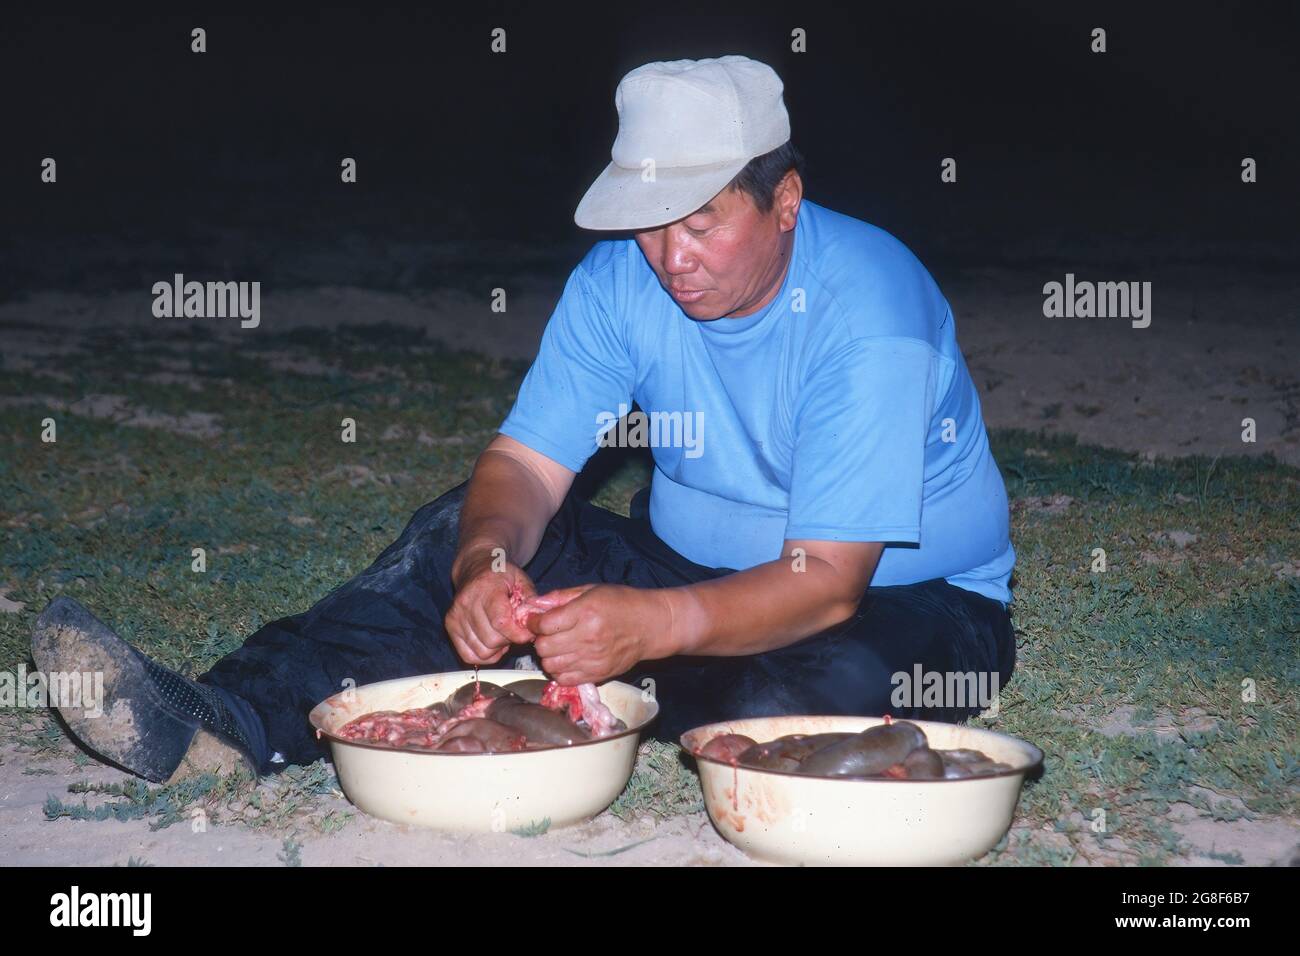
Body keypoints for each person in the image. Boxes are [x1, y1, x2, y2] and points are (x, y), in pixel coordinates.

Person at [31, 55, 1016, 783]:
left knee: (813, 689)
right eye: (648, 222)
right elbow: (526, 465)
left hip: (906, 604)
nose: (669, 256)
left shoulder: (868, 306)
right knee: (449, 528)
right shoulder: (621, 279)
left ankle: (572, 696)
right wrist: (483, 565)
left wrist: (653, 623)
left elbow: (828, 582)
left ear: (785, 199)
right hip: (693, 573)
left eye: (701, 220)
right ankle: (229, 717)